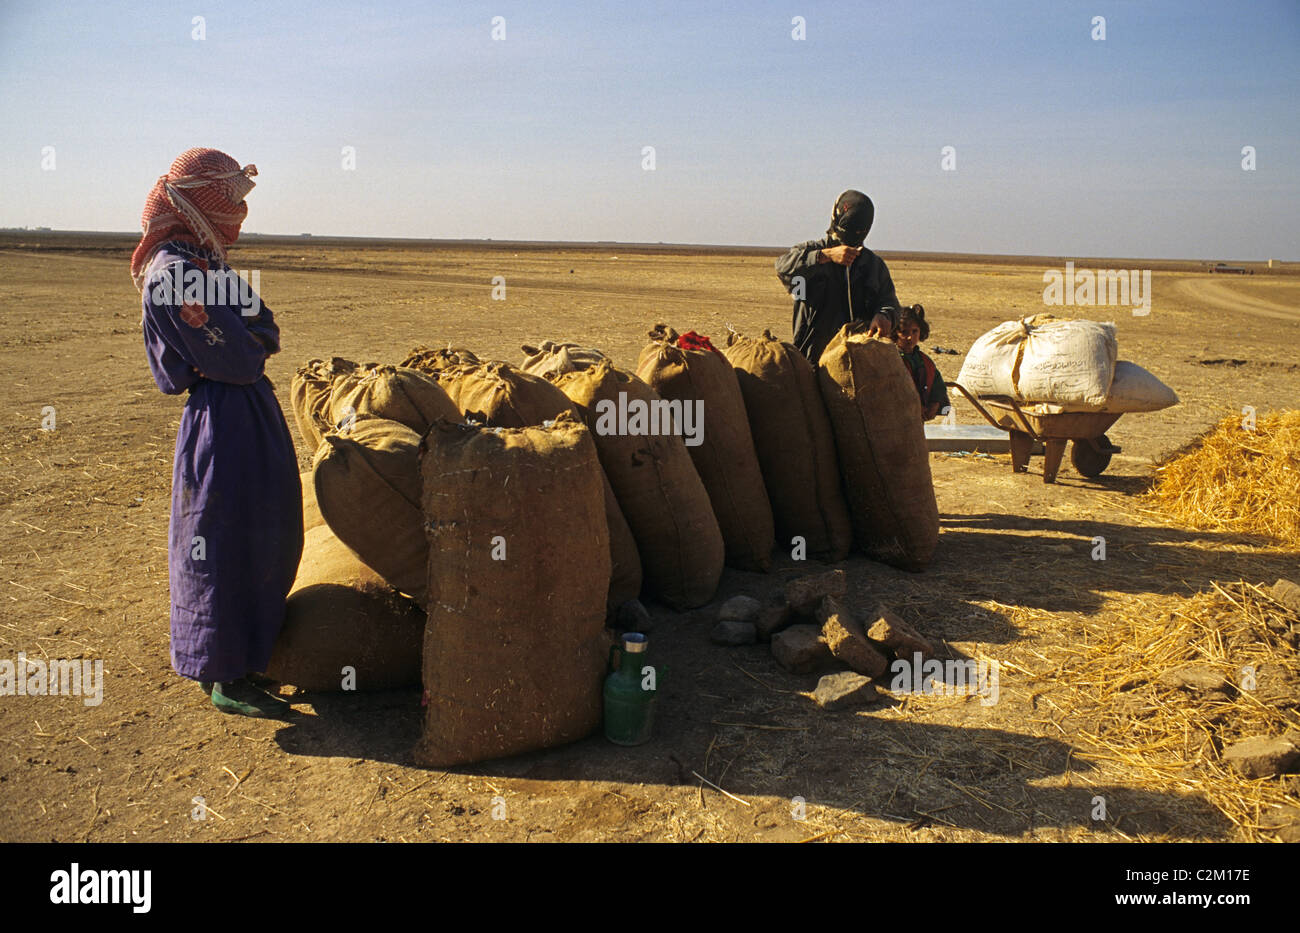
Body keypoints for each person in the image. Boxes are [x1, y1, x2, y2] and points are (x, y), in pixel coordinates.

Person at [131, 148, 303, 718]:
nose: (239, 211)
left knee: (265, 530)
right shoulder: (175, 275)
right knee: (220, 540)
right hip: (222, 417)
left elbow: (266, 329)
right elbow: (240, 359)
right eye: (231, 199)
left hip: (248, 410)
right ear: (201, 201)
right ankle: (221, 673)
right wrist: (244, 345)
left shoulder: (205, 265)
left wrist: (246, 342)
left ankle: (248, 661)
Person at [775, 189, 900, 364]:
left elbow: (889, 302)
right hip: (812, 357)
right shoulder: (810, 252)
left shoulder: (873, 265)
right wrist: (824, 256)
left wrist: (884, 316)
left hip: (859, 361)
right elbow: (783, 267)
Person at [893, 304, 951, 421]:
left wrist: (934, 405)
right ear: (894, 333)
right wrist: (914, 406)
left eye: (915, 331)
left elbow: (937, 384)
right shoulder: (891, 359)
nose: (910, 337)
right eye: (904, 332)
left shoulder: (924, 361)